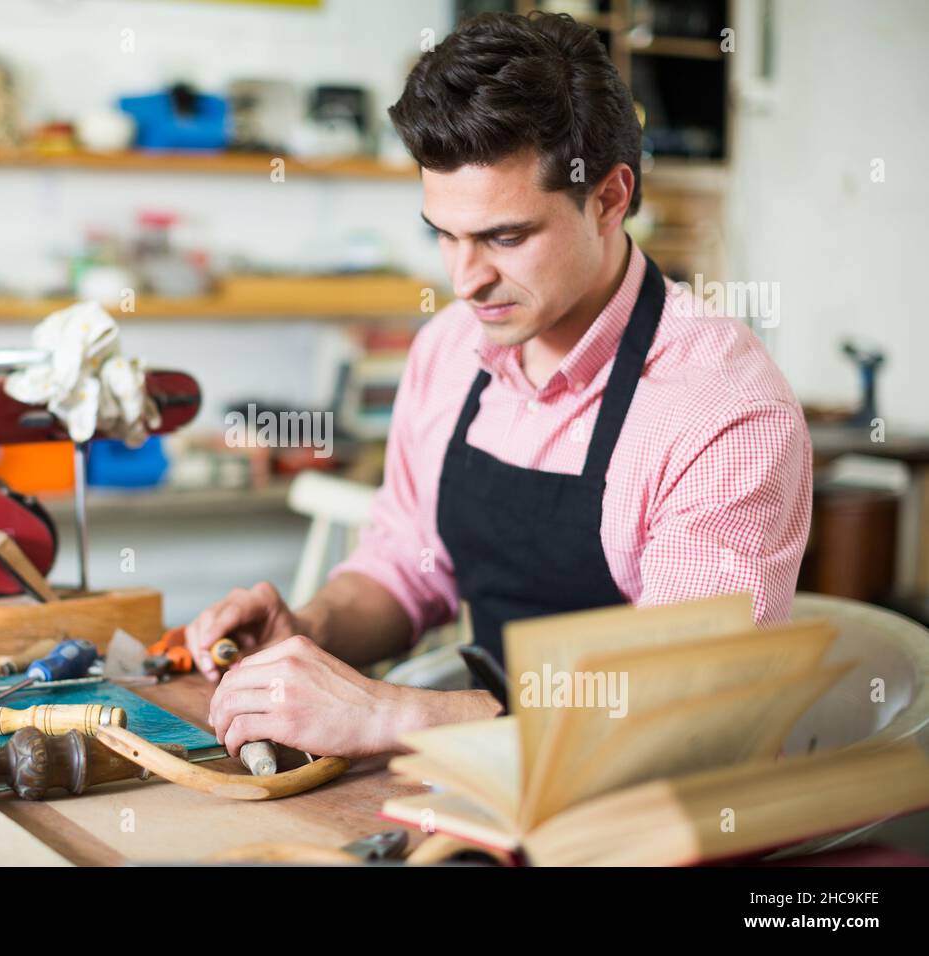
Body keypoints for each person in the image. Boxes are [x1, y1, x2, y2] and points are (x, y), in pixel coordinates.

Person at [188, 11, 811, 760]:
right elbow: (408, 565)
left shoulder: (722, 410)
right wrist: (311, 629)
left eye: (505, 237)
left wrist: (392, 716)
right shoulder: (450, 350)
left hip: (644, 813)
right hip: (485, 788)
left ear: (610, 199)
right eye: (443, 235)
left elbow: (678, 711)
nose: (465, 279)